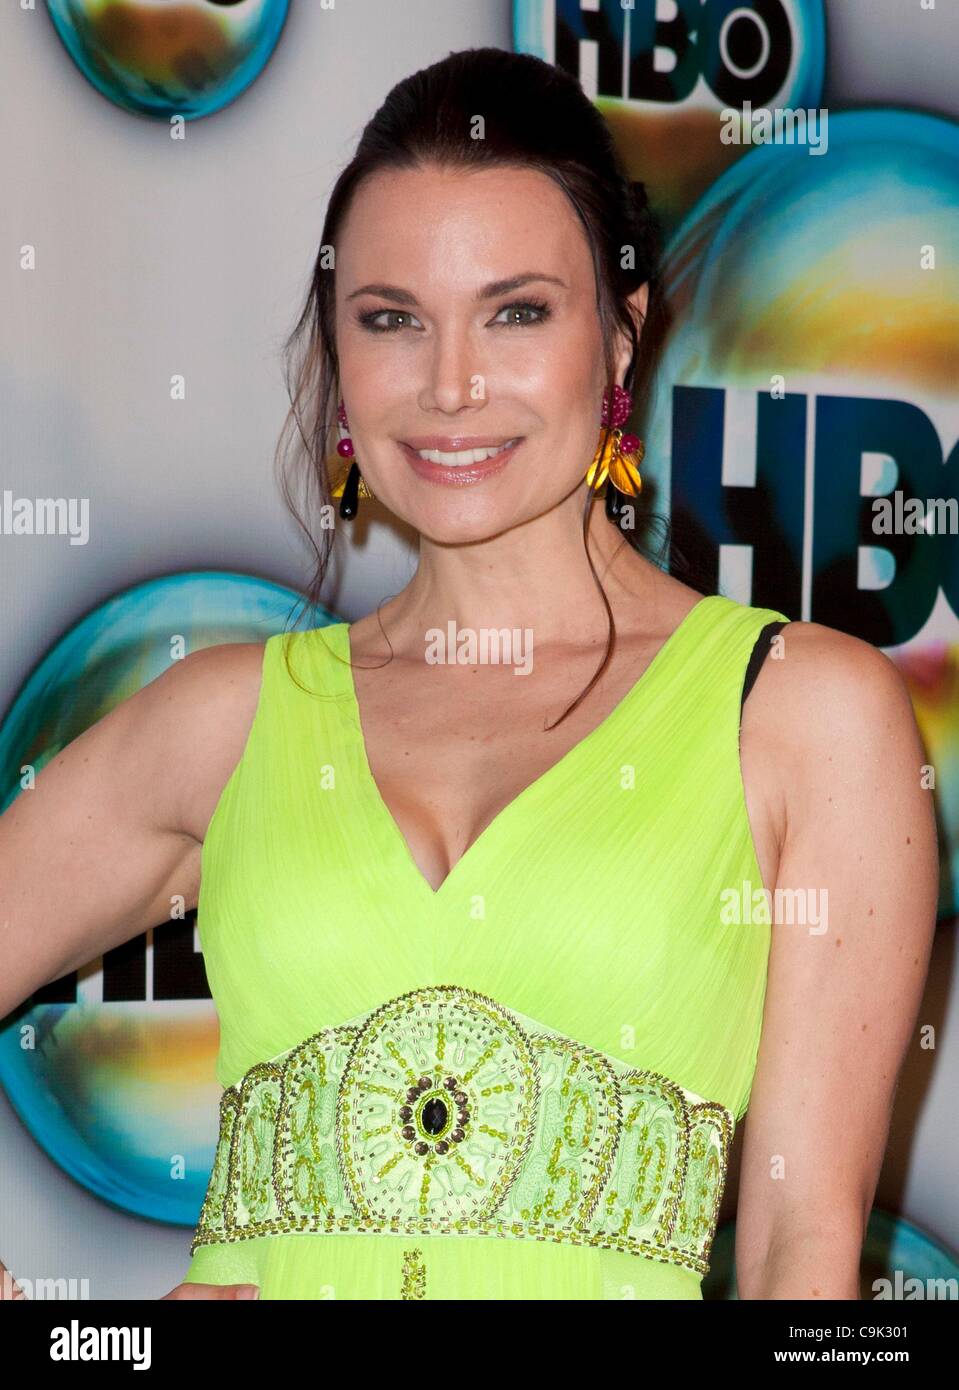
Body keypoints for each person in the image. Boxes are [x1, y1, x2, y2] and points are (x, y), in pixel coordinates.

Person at [0, 48, 938, 1302]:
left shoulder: (801, 717)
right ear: (336, 352)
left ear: (621, 337)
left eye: (516, 311)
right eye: (390, 319)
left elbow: (795, 1256)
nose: (449, 387)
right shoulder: (228, 719)